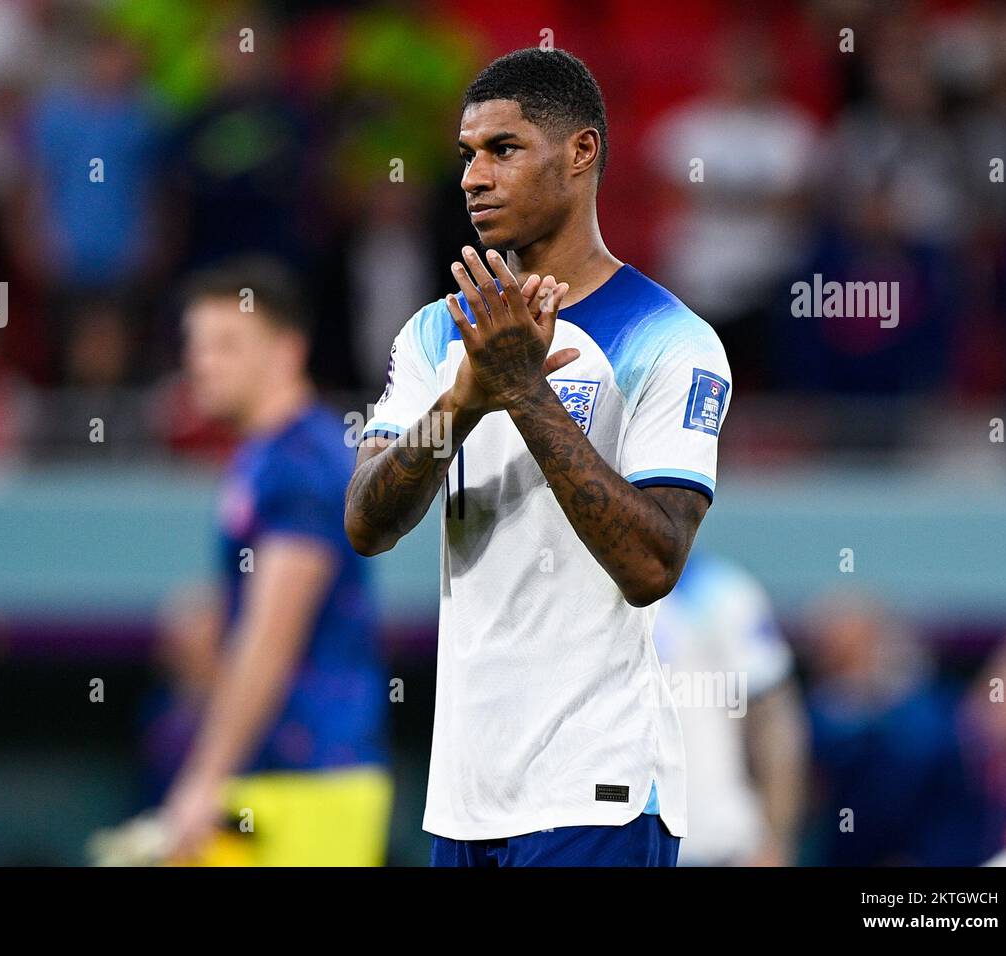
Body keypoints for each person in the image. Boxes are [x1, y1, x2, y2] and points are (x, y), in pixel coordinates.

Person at [345, 49, 732, 867]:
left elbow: (653, 562)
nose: (472, 178)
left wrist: (522, 392)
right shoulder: (433, 334)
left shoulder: (671, 340)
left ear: (581, 152)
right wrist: (462, 400)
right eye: (466, 156)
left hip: (599, 790)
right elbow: (366, 523)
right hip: (463, 796)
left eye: (503, 149)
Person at [161, 255, 391, 865]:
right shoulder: (265, 458)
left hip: (312, 787)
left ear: (288, 351)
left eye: (227, 344)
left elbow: (271, 640)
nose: (201, 361)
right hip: (285, 783)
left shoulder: (299, 464)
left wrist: (203, 779)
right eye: (196, 344)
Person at [652, 553, 808, 866]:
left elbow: (773, 722)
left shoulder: (720, 592)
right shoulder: (577, 588)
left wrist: (776, 839)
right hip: (610, 838)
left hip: (714, 844)